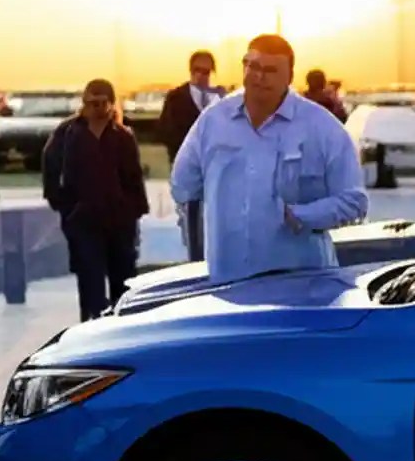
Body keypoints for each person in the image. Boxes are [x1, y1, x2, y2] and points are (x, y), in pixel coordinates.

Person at [170, 34, 368, 283]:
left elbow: (354, 202)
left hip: (303, 286)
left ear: (289, 76)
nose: (259, 77)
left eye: (270, 70)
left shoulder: (323, 129)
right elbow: (184, 189)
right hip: (229, 286)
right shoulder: (212, 122)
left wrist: (300, 216)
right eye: (252, 67)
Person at [42, 79, 150, 321]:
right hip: (83, 223)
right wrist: (66, 207)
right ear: (84, 103)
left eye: (103, 103)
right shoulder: (67, 134)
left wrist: (132, 211)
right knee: (91, 287)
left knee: (123, 289)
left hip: (119, 223)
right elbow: (50, 170)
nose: (97, 109)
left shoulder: (123, 136)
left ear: (112, 105)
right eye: (92, 103)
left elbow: (134, 179)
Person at [158, 50, 225, 263]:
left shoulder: (221, 99)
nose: (202, 75)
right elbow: (165, 130)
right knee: (193, 225)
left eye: (206, 71)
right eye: (197, 70)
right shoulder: (176, 98)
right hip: (189, 174)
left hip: (218, 175)